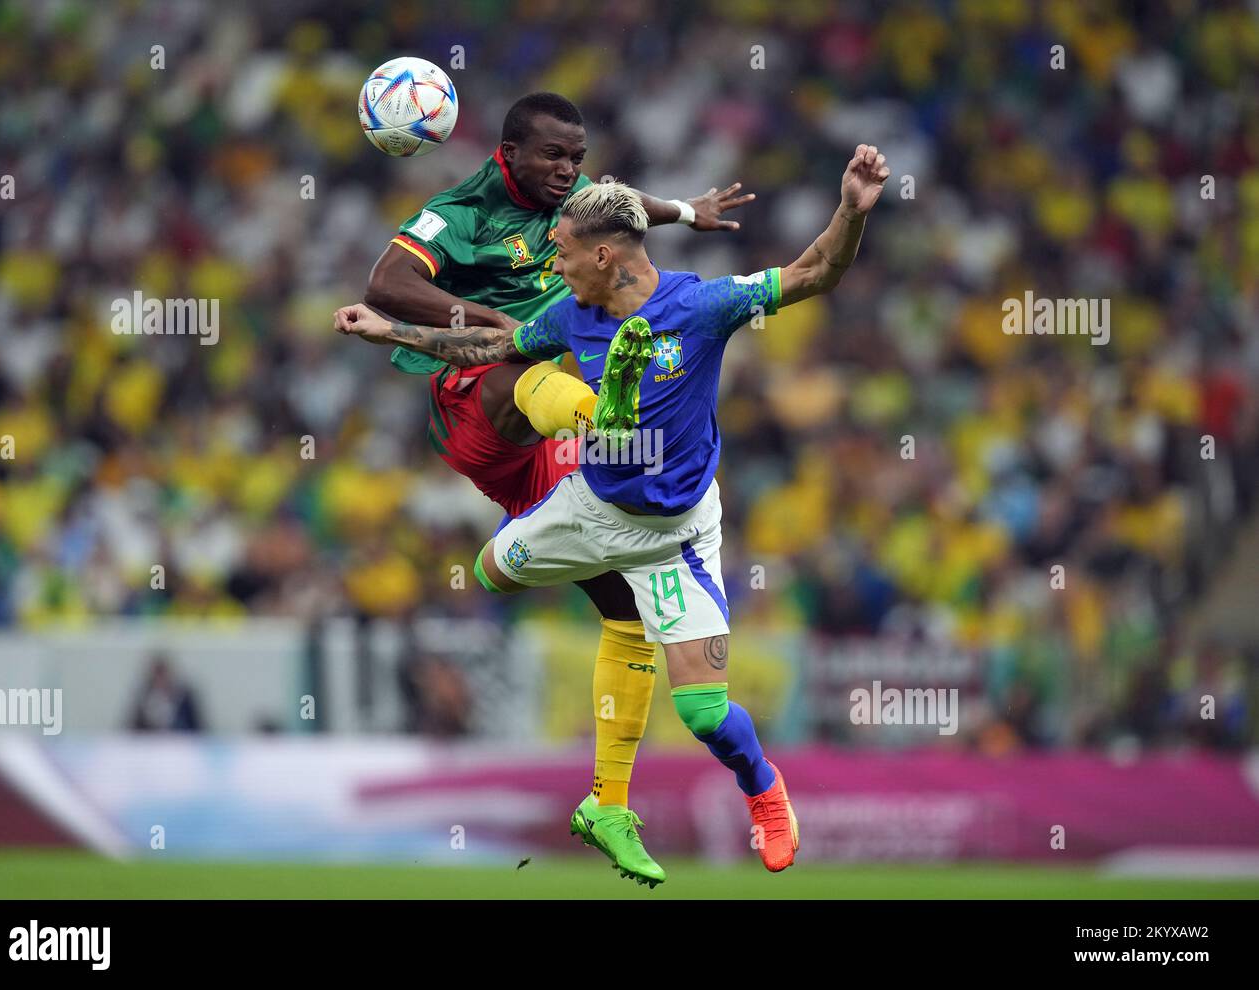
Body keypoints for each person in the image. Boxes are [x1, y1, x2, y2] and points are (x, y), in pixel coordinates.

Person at [335, 143, 890, 872]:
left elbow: (817, 270)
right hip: (590, 506)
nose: (552, 268)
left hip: (675, 535)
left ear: (603, 255)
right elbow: (491, 344)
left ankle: (765, 790)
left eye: (561, 254)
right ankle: (599, 422)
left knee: (704, 715)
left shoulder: (701, 305)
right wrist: (392, 331)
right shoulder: (573, 316)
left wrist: (849, 209)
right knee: (488, 571)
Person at [360, 91, 755, 886]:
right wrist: (482, 323)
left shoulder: (575, 204)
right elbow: (386, 284)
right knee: (529, 364)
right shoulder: (461, 211)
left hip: (552, 430)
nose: (568, 171)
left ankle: (608, 803)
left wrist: (684, 209)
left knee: (629, 609)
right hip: (484, 399)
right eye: (553, 157)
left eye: (576, 158)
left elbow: (618, 204)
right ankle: (600, 415)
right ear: (509, 151)